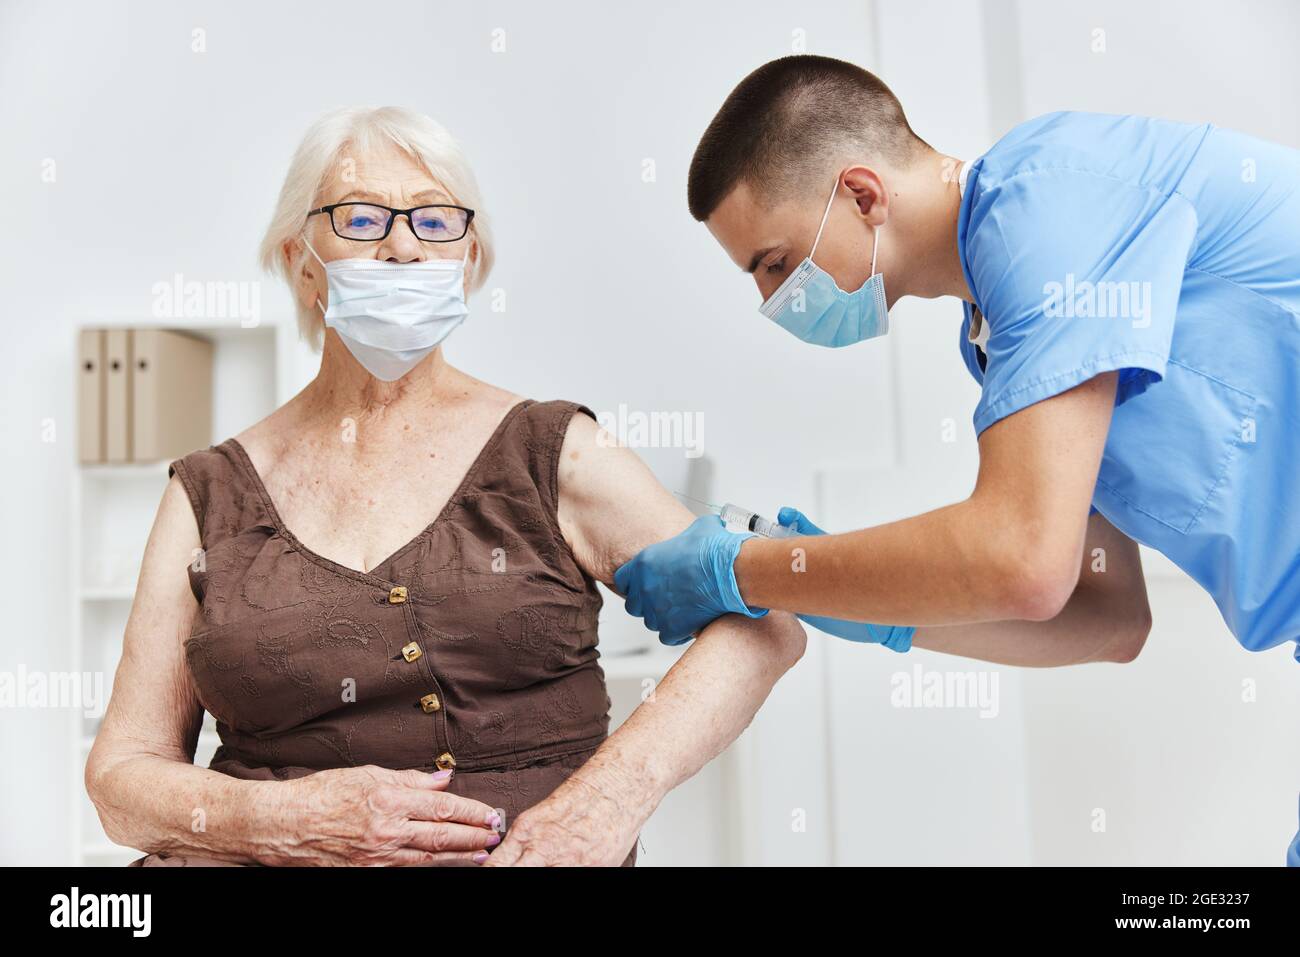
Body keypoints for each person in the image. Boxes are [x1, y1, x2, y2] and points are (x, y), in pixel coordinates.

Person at [614, 55, 1300, 863]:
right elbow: (1107, 617)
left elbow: (1022, 558)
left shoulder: (1049, 205)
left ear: (863, 195)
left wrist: (754, 567)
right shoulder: (999, 338)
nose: (773, 300)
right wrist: (878, 614)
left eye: (773, 263)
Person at [85, 106, 806, 867]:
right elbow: (118, 777)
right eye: (361, 218)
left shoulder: (556, 452)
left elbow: (764, 621)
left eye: (434, 222)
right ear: (302, 262)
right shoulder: (207, 492)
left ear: (468, 262)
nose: (401, 246)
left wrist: (609, 799)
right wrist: (280, 817)